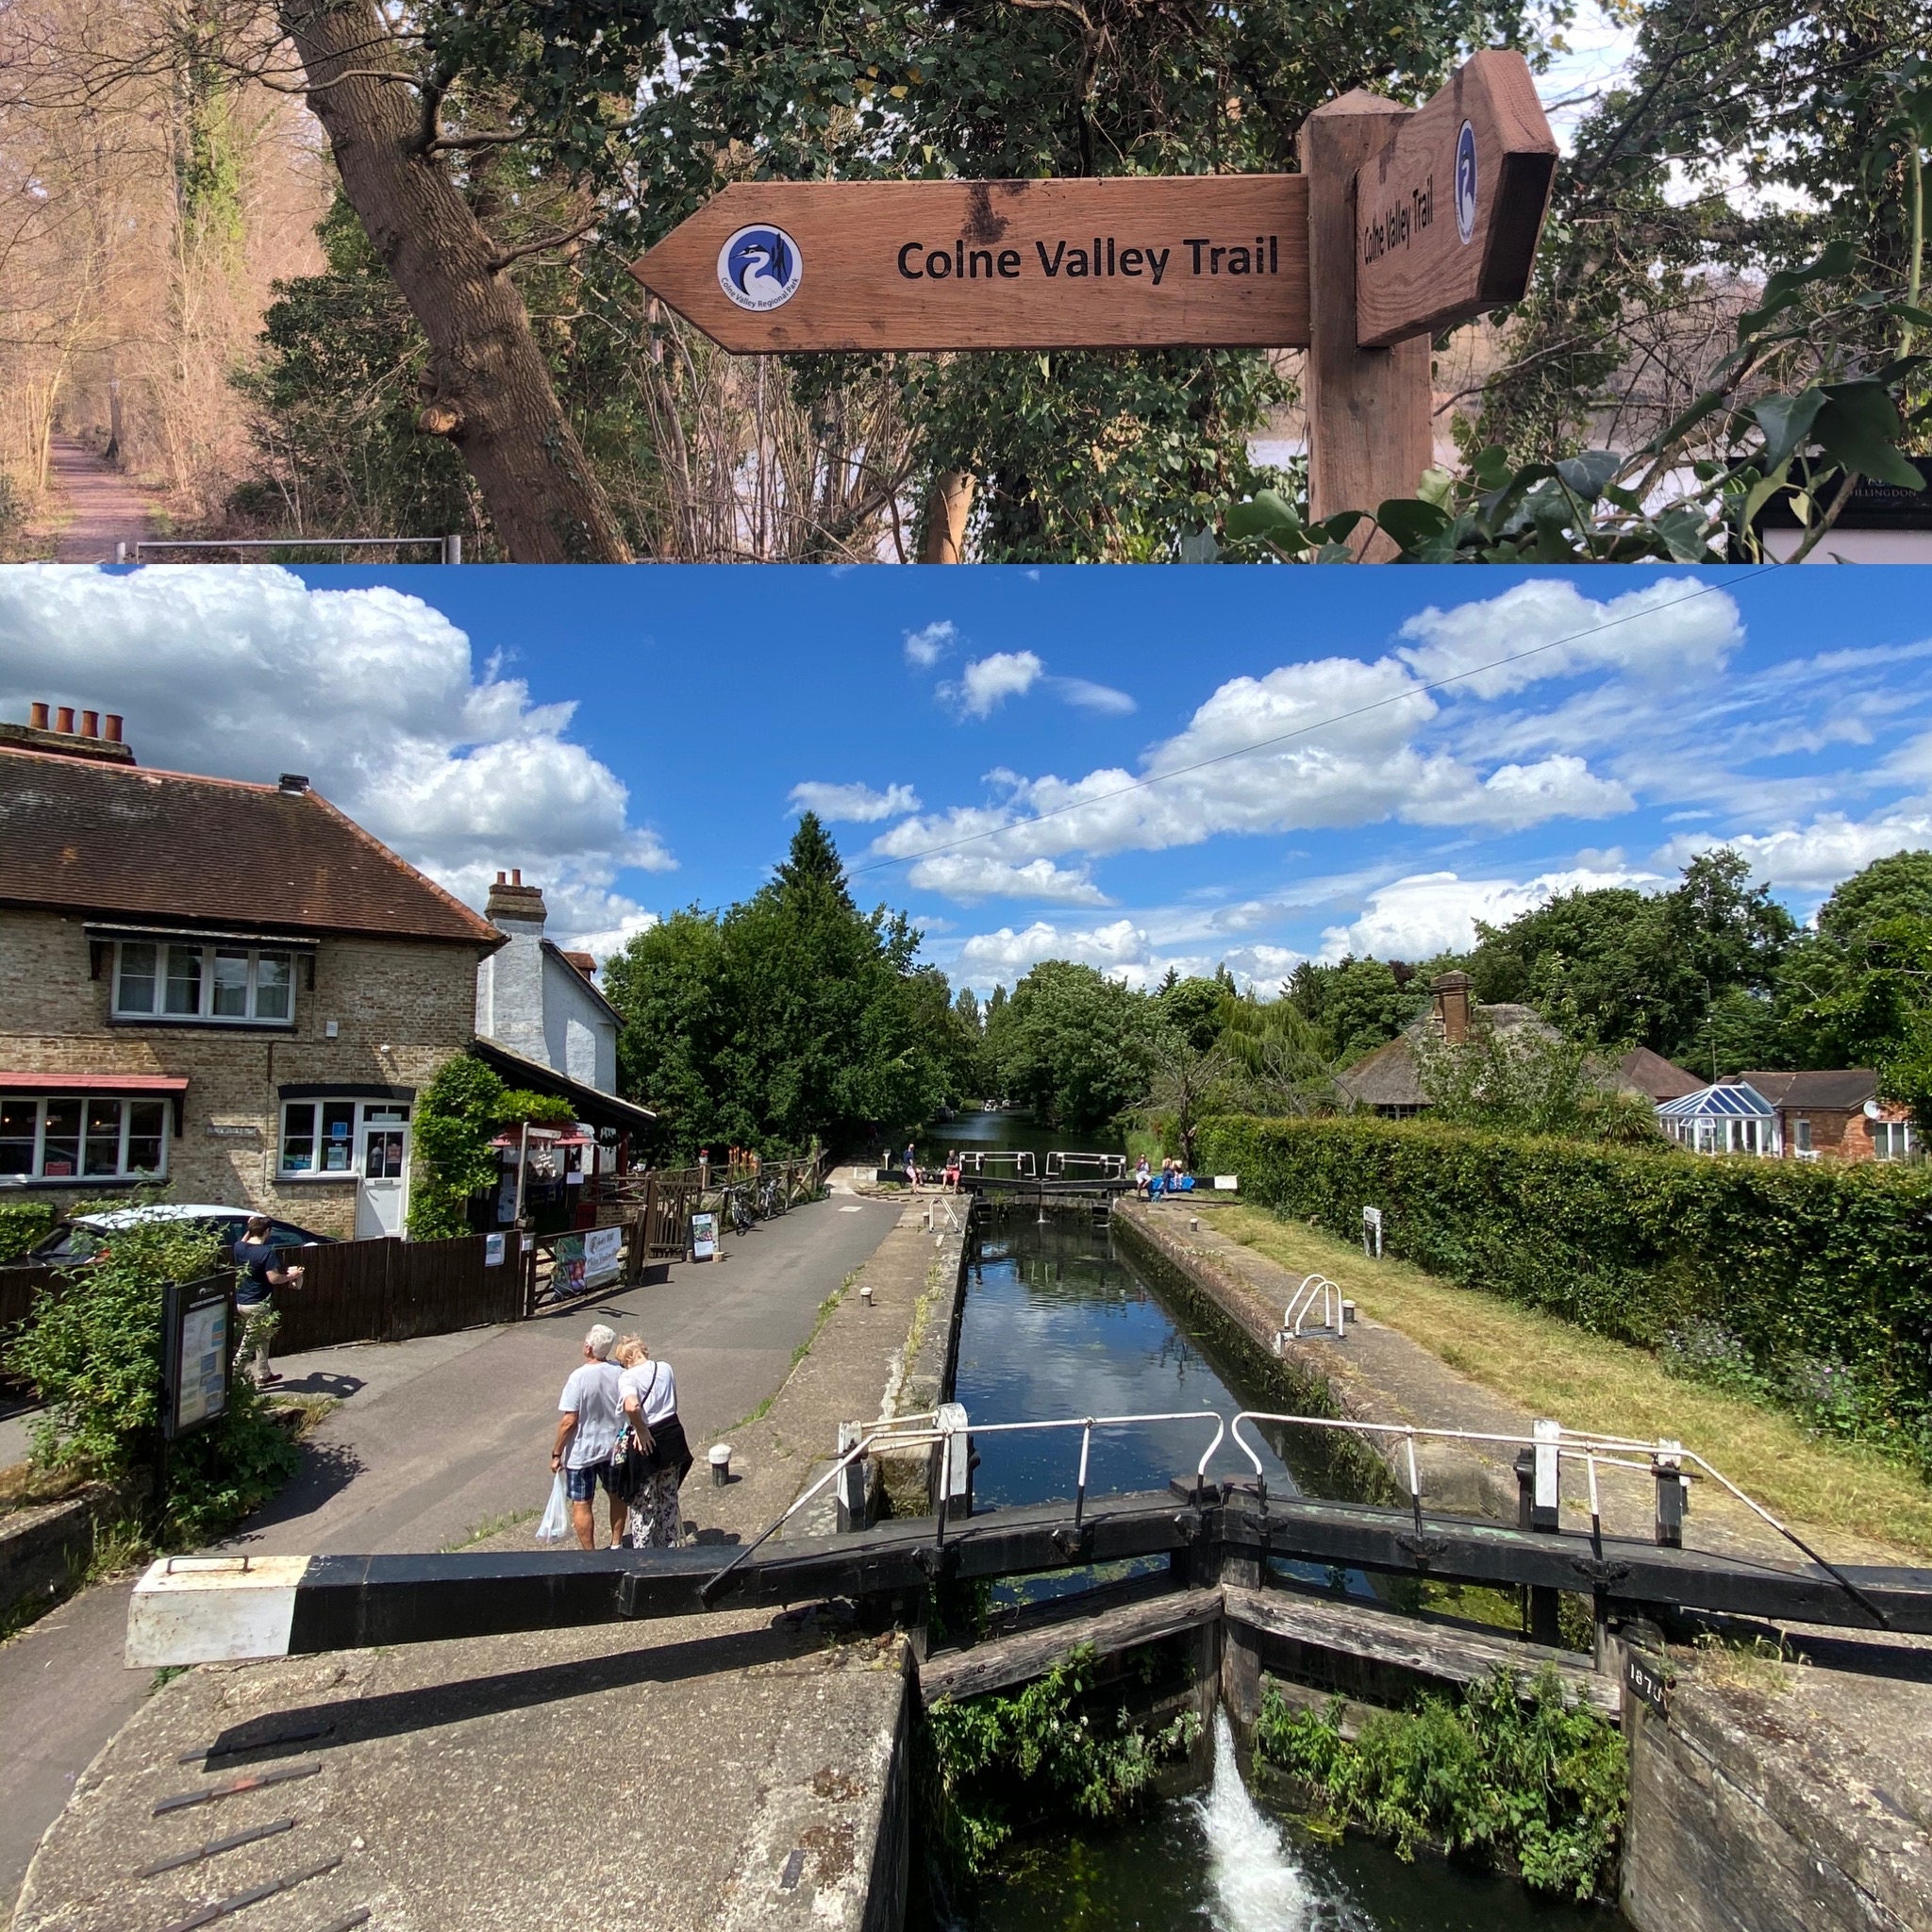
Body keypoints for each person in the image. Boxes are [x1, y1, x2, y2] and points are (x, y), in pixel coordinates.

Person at [552, 1324, 626, 1550]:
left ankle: (591, 1554)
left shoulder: (578, 1377)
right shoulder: (620, 1372)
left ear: (589, 1349)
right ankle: (616, 1544)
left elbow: (569, 1421)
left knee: (582, 1503)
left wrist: (556, 1452)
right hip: (613, 1447)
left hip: (582, 1452)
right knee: (617, 1495)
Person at [614, 1335, 690, 1547]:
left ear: (627, 1358)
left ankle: (645, 1557)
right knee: (668, 1497)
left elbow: (632, 1406)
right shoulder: (665, 1368)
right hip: (672, 1435)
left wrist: (641, 1429)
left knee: (644, 1505)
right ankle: (668, 1549)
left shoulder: (628, 1378)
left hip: (647, 1443)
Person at [231, 1214, 303, 1386]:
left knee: (263, 1338)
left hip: (241, 1302)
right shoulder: (266, 1252)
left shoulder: (239, 1247)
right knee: (248, 1342)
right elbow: (273, 1279)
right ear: (268, 1231)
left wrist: (250, 1228)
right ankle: (231, 1378)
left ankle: (264, 1374)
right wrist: (290, 1276)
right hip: (258, 1304)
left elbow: (243, 1241)